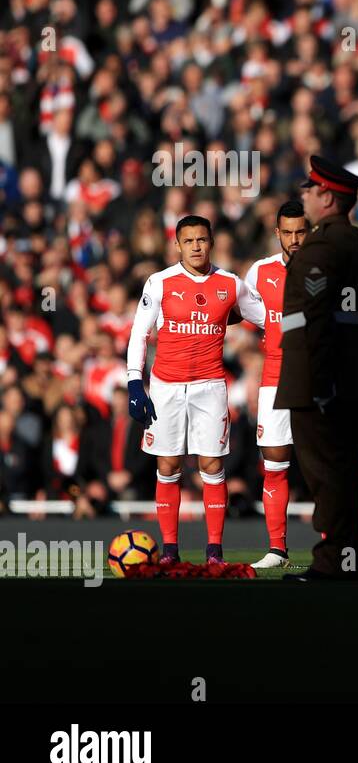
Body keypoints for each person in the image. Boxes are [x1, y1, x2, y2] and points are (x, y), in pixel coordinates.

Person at [126, 214, 266, 564]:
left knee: (211, 464)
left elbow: (267, 317)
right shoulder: (159, 282)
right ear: (177, 244)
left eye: (201, 239)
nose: (196, 247)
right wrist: (133, 380)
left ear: (212, 241)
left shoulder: (230, 284)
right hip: (165, 387)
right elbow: (139, 333)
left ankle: (215, 550)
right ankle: (170, 550)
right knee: (169, 464)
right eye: (188, 241)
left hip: (210, 386)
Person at [277, 156, 358, 582]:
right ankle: (344, 562)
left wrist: (320, 381)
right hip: (346, 374)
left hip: (317, 380)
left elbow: (314, 319)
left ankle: (332, 563)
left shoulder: (322, 247)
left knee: (327, 473)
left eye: (309, 189)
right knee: (344, 470)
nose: (303, 195)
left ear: (326, 196)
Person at [243, 199, 308, 569]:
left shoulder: (326, 270)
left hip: (318, 379)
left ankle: (334, 546)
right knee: (275, 461)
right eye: (288, 232)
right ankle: (277, 549)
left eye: (301, 231)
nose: (295, 239)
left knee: (324, 464)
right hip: (274, 380)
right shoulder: (260, 272)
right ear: (277, 233)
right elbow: (253, 319)